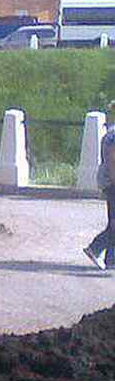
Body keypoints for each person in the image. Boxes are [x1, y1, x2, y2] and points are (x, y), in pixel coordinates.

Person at [84, 101, 115, 270]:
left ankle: (111, 259)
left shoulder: (110, 133)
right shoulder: (114, 135)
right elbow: (112, 160)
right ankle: (95, 248)